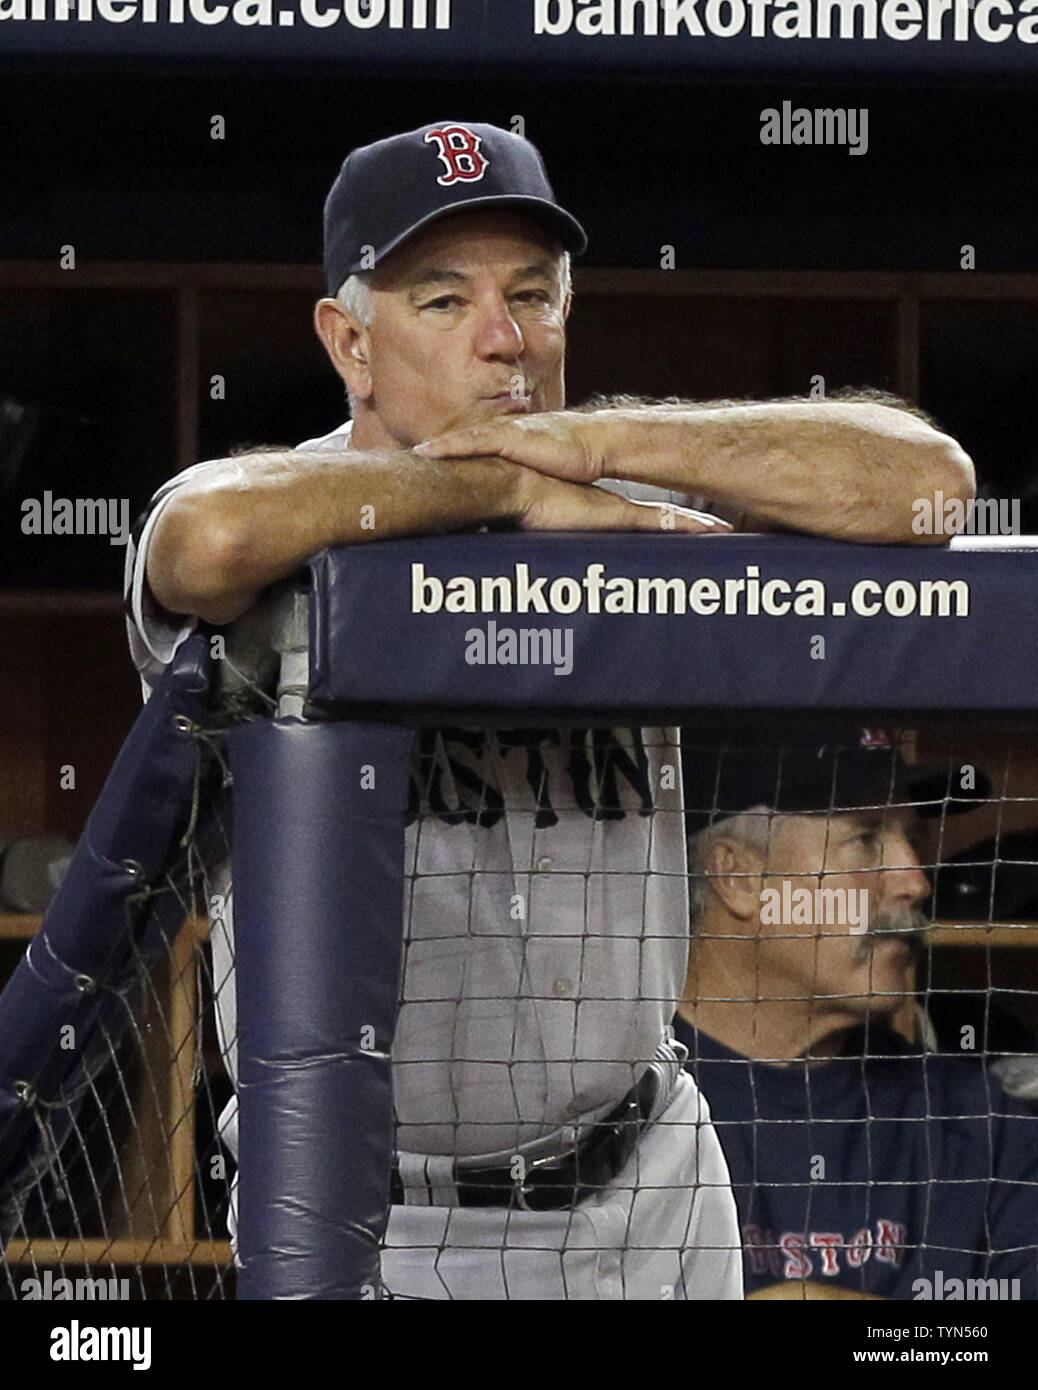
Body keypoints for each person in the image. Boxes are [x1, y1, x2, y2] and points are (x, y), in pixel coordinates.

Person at [124, 121, 975, 1301]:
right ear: (348, 341)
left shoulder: (617, 500)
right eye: (441, 300)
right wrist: (498, 482)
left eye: (534, 295)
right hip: (386, 1218)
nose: (504, 338)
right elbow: (205, 539)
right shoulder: (277, 514)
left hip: (655, 1185)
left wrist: (595, 443)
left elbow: (927, 486)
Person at [674, 730, 1038, 1300]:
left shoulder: (981, 1125)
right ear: (738, 878)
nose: (915, 881)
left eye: (914, 839)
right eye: (867, 840)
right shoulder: (619, 1116)